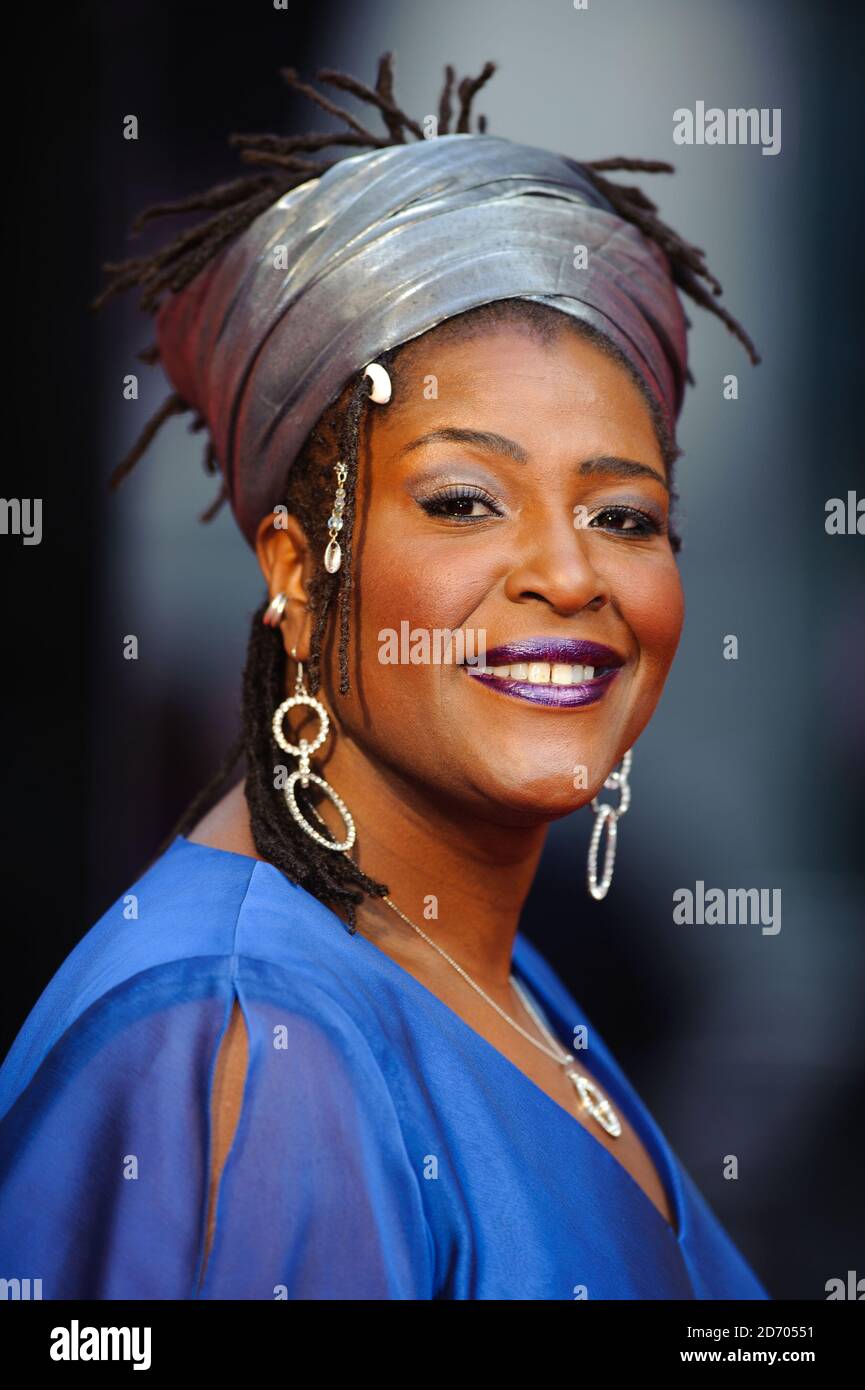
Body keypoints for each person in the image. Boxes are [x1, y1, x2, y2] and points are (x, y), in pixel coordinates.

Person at [0, 55, 770, 1300]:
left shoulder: (473, 966)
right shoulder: (248, 1037)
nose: (570, 577)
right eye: (465, 500)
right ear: (300, 575)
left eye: (624, 516)